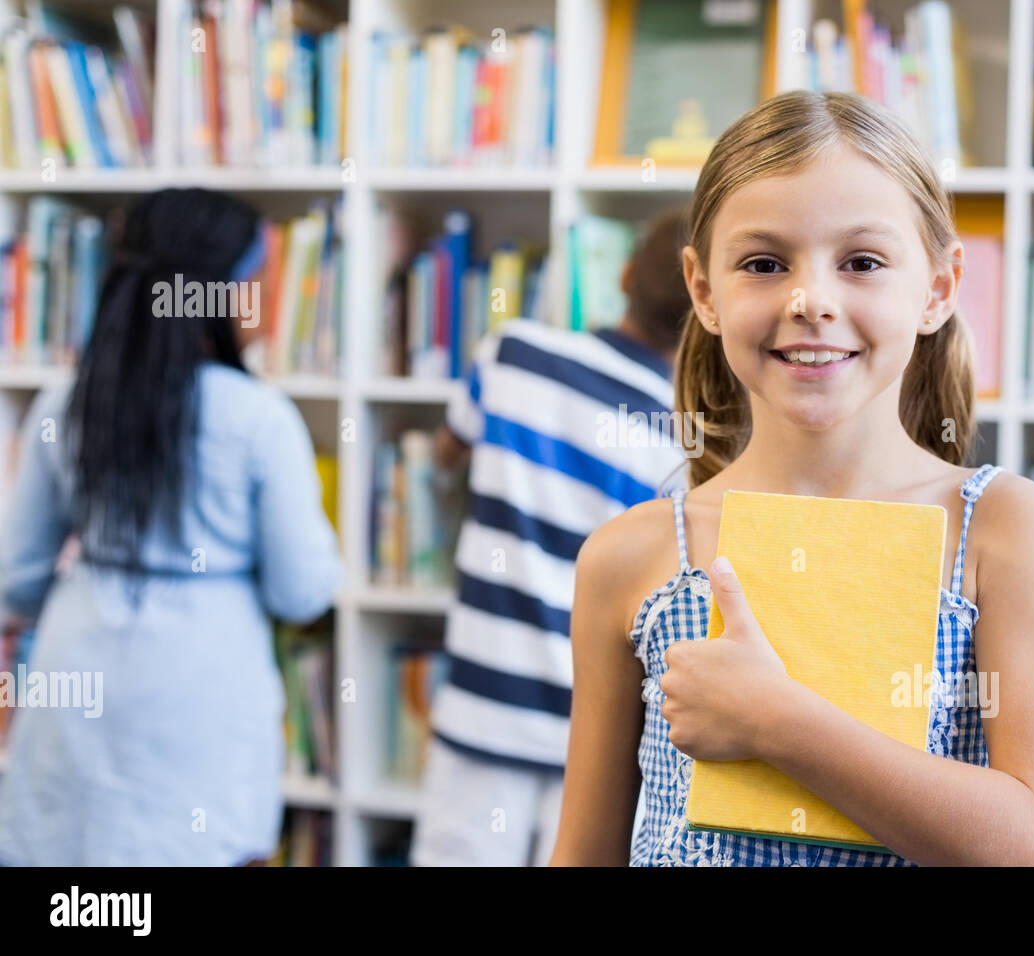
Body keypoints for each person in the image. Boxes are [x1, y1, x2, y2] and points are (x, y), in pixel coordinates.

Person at [550, 90, 1034, 867]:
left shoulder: (1001, 527)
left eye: (862, 263)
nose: (812, 302)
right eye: (764, 264)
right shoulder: (626, 559)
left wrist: (774, 720)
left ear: (937, 288)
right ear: (703, 290)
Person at [0, 188, 341, 866]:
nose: (270, 297)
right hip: (201, 695)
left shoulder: (64, 402)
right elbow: (304, 592)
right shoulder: (258, 418)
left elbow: (14, 583)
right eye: (259, 279)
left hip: (74, 683)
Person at [411, 209, 694, 867]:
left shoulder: (512, 354)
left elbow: (446, 457)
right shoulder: (677, 443)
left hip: (482, 712)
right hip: (592, 741)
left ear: (622, 278)